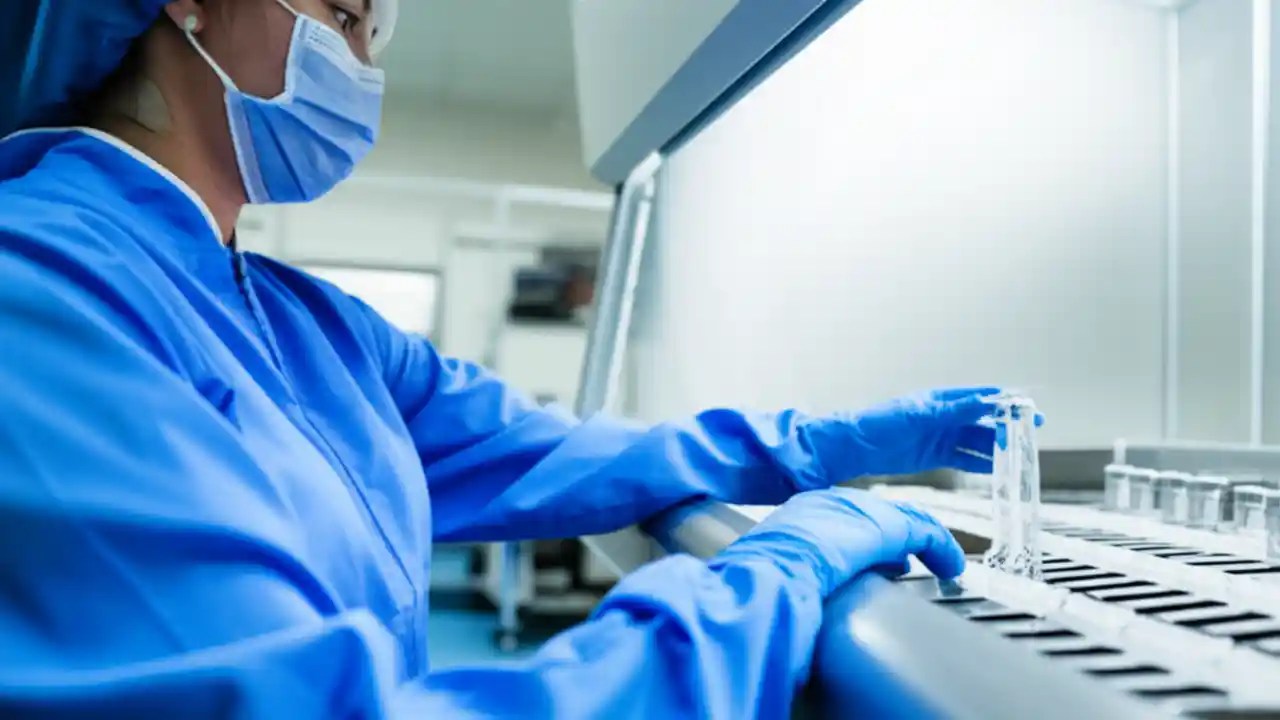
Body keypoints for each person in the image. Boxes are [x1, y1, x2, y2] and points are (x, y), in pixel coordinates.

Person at [0, 1, 1023, 717]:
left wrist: (825, 444)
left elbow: (549, 454)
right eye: (347, 13)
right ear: (187, 4)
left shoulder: (307, 323)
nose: (364, 64)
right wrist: (764, 583)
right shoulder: (37, 291)